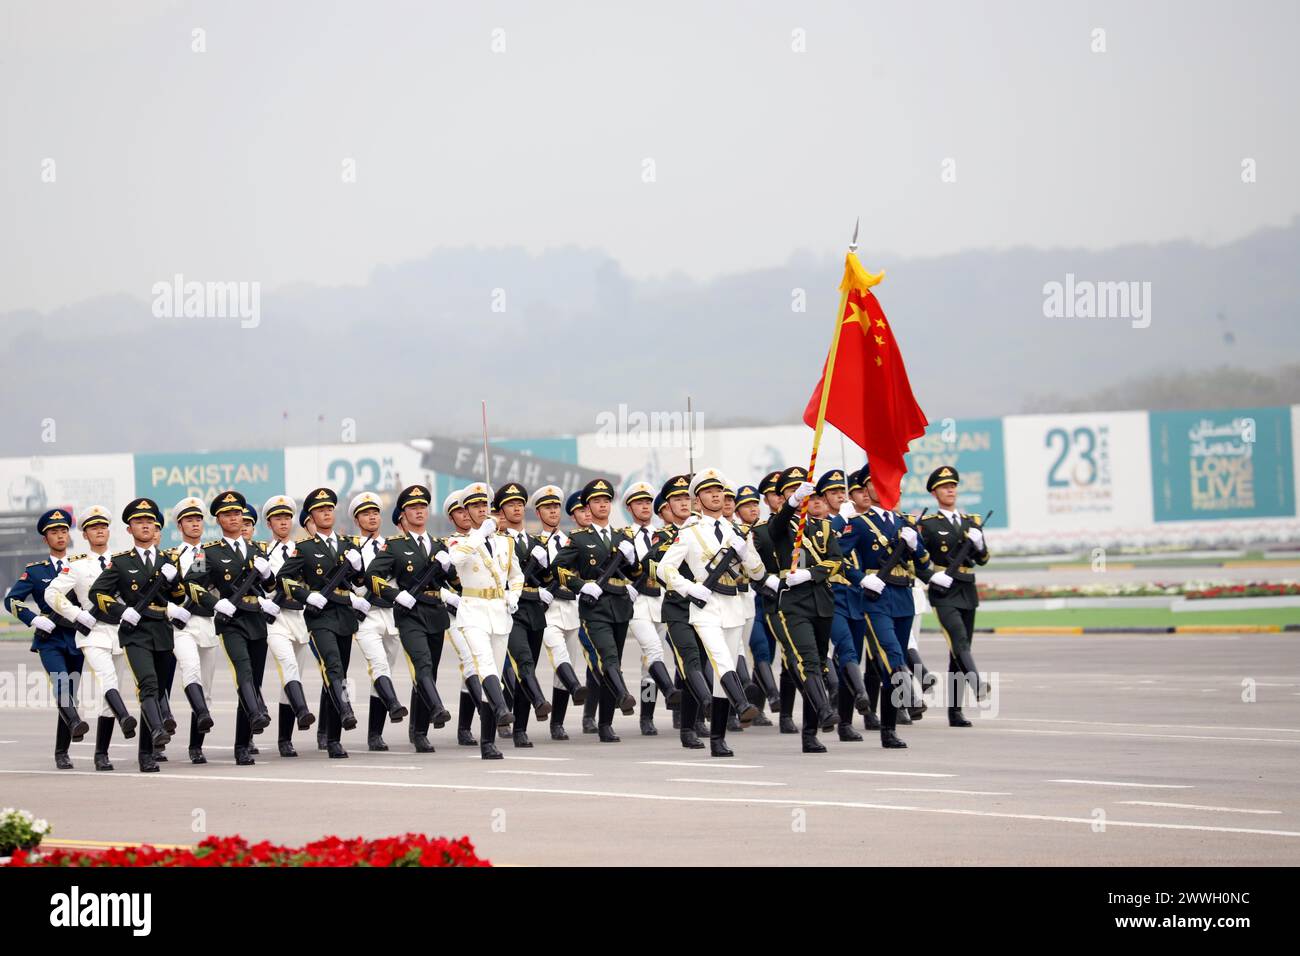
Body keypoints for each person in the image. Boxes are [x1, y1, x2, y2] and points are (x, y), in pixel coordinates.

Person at [656, 468, 767, 757]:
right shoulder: (690, 532)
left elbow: (757, 573)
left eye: (719, 490)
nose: (716, 495)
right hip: (704, 608)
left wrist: (747, 554)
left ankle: (717, 739)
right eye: (708, 491)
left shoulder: (737, 532)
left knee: (721, 674)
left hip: (733, 607)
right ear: (697, 500)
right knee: (718, 658)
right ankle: (742, 703)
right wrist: (689, 588)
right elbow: (664, 568)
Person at [87, 498, 188, 772]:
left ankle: (148, 752)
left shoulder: (168, 561)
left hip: (163, 632)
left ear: (155, 526)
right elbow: (96, 593)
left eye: (149, 522)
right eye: (138, 522)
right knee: (148, 684)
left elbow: (180, 595)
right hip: (136, 632)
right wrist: (121, 610)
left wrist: (174, 580)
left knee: (159, 692)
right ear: (129, 529)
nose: (144, 526)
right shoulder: (120, 562)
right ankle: (156, 734)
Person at [843, 463, 933, 748]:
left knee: (889, 667)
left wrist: (915, 544)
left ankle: (889, 729)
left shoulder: (905, 524)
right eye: (876, 484)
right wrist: (860, 580)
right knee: (893, 657)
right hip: (876, 599)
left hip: (903, 597)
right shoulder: (857, 524)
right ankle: (899, 711)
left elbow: (923, 564)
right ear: (868, 489)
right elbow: (839, 559)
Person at [277, 487, 369, 758]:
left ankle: (333, 740)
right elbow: (284, 578)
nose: (326, 512)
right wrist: (308, 595)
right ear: (311, 517)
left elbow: (360, 583)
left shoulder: (348, 545)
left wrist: (359, 567)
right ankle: (346, 711)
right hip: (320, 618)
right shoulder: (304, 548)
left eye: (329, 508)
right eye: (320, 510)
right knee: (333, 667)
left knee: (336, 674)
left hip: (344, 617)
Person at [366, 484, 456, 753]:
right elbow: (372, 577)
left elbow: (454, 582)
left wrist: (452, 570)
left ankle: (419, 731)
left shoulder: (440, 545)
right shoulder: (394, 546)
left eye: (422, 507)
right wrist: (395, 595)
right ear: (402, 514)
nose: (419, 511)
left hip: (436, 614)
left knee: (431, 672)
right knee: (422, 664)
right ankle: (437, 709)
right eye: (412, 508)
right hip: (410, 614)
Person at [555, 478, 644, 742]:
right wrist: (582, 585)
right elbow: (558, 570)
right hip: (595, 608)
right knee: (608, 658)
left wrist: (632, 558)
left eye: (606, 500)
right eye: (597, 501)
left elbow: (635, 572)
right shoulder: (579, 538)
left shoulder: (622, 536)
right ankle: (624, 695)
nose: (602, 505)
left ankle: (605, 723)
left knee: (610, 663)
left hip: (620, 605)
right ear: (587, 506)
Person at [41, 506, 129, 770]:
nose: (99, 531)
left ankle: (102, 753)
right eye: (93, 528)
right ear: (85, 535)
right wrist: (77, 615)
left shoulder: (124, 559)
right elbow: (51, 594)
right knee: (107, 680)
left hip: (121, 632)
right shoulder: (77, 564)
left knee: (110, 694)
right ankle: (124, 719)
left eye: (103, 526)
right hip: (93, 633)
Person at [764, 467, 842, 753]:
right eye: (790, 491)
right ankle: (824, 710)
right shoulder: (780, 524)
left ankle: (810, 735)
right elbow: (775, 528)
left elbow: (837, 561)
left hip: (821, 599)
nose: (799, 495)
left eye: (802, 490)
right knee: (807, 660)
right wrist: (792, 503)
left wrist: (812, 574)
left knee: (820, 665)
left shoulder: (822, 526)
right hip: (793, 603)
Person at [444, 482, 521, 759]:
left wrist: (515, 595)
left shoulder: (505, 542)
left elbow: (517, 575)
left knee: (495, 672)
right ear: (466, 511)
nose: (481, 510)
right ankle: (502, 709)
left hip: (499, 612)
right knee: (483, 663)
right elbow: (456, 559)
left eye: (484, 505)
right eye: (475, 506)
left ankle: (488, 743)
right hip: (473, 611)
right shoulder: (460, 541)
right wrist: (480, 534)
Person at [915, 466, 991, 728]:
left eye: (954, 486)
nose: (951, 490)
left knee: (957, 650)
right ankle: (976, 682)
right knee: (958, 639)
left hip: (967, 588)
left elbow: (983, 559)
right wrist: (930, 576)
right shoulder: (929, 525)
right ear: (935, 492)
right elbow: (917, 558)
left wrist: (980, 544)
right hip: (943, 590)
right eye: (945, 487)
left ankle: (955, 712)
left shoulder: (973, 521)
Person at [346, 491, 410, 750]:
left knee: (385, 672)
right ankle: (394, 705)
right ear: (356, 519)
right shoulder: (349, 547)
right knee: (378, 664)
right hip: (366, 615)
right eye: (365, 514)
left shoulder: (393, 545)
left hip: (391, 613)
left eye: (375, 513)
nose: (371, 517)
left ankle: (375, 734)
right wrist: (353, 599)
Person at [494, 482, 554, 747]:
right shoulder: (496, 542)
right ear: (500, 510)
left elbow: (550, 578)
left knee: (524, 671)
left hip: (534, 610)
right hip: (510, 610)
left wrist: (544, 565)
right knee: (523, 661)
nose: (517, 508)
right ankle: (540, 700)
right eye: (510, 504)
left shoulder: (535, 542)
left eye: (519, 504)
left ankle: (521, 728)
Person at [527, 485, 588, 740]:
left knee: (568, 665)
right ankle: (575, 688)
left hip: (571, 608)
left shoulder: (572, 541)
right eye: (547, 508)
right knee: (559, 655)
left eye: (555, 507)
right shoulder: (533, 543)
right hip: (547, 610)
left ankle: (557, 723)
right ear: (538, 512)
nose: (553, 511)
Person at [259, 494, 317, 757]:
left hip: (300, 618)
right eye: (277, 518)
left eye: (287, 517)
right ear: (269, 524)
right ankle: (303, 711)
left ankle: (285, 738)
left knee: (292, 679)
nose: (283, 522)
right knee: (288, 667)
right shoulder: (261, 552)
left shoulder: (305, 550)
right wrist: (263, 602)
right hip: (276, 619)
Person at [621, 481, 680, 735]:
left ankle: (647, 717)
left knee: (649, 665)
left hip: (661, 600)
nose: (644, 506)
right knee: (653, 649)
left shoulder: (665, 534)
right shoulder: (624, 536)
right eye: (638, 503)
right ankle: (670, 691)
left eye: (647, 502)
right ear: (629, 508)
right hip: (637, 603)